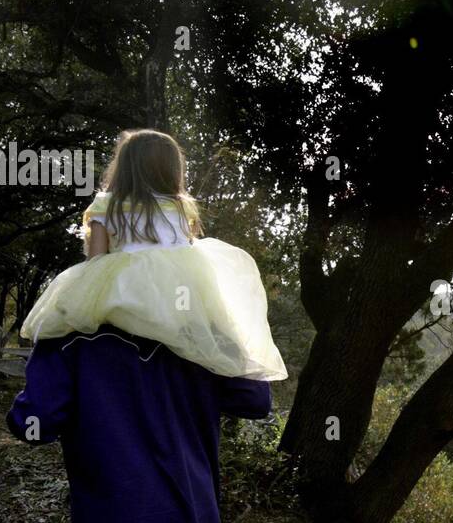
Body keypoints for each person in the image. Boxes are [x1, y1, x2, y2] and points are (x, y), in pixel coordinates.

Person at [6, 129, 284, 523]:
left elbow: (36, 422)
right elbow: (253, 398)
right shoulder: (198, 323)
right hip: (188, 521)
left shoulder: (75, 322)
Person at [20, 128, 288, 382]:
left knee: (77, 318)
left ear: (124, 166)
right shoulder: (182, 206)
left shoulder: (106, 204)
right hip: (180, 286)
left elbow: (96, 260)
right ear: (172, 169)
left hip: (126, 285)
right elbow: (184, 247)